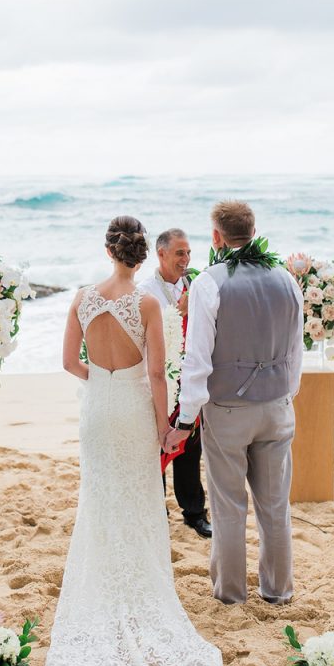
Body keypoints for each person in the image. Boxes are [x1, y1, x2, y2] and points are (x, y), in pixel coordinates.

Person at [45, 215, 222, 666]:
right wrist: (166, 427)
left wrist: (102, 382)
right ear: (143, 256)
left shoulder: (81, 298)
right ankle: (139, 589)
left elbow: (69, 363)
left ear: (109, 251)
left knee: (99, 499)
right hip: (133, 410)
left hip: (97, 410)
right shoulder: (146, 303)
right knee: (141, 501)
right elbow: (158, 375)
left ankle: (102, 590)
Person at [165, 201, 303, 605]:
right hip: (277, 406)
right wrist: (285, 394)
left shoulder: (210, 282)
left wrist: (186, 418)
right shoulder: (286, 278)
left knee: (228, 507)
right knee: (275, 506)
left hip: (227, 411)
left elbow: (197, 358)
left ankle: (231, 594)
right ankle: (278, 591)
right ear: (253, 232)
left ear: (216, 237)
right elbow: (296, 350)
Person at [139, 229, 211, 539]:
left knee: (190, 448)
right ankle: (157, 513)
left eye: (189, 253)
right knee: (155, 447)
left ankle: (194, 512)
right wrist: (177, 311)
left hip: (189, 379)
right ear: (161, 254)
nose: (186, 259)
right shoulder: (145, 290)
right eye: (180, 253)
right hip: (158, 379)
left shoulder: (195, 286)